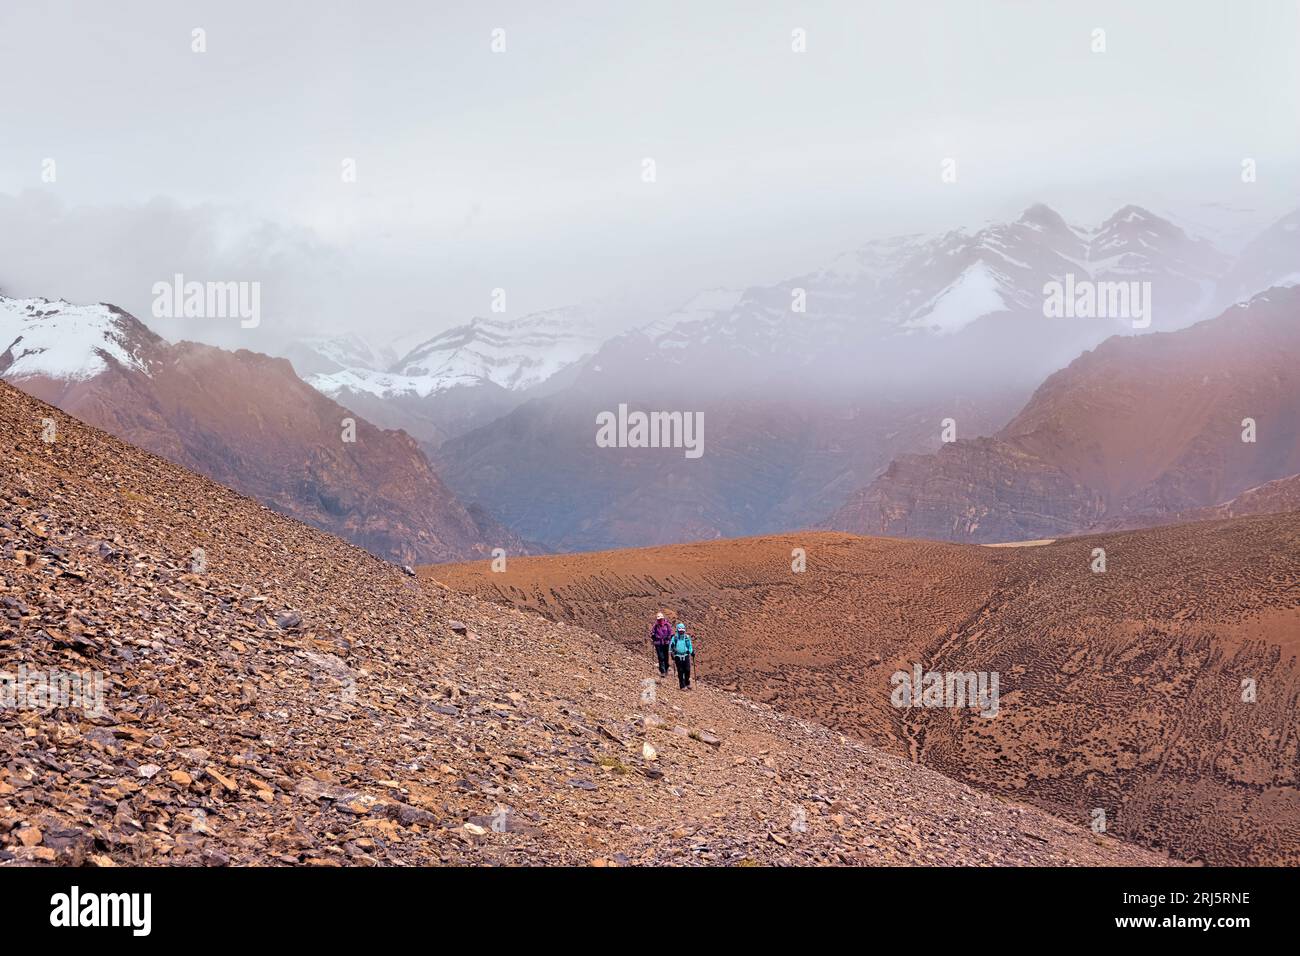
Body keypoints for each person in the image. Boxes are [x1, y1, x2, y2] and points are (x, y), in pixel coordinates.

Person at [670, 622, 695, 690]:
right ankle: (682, 685)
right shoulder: (675, 638)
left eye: (682, 631)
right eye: (680, 631)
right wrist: (671, 653)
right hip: (677, 656)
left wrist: (691, 651)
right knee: (680, 671)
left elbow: (690, 646)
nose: (681, 632)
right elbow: (671, 646)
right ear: (678, 630)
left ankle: (687, 683)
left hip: (686, 655)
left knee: (687, 670)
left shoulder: (687, 638)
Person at [649, 612, 673, 679]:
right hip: (658, 643)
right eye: (659, 619)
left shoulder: (667, 625)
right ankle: (662, 671)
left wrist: (668, 637)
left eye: (661, 619)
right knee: (660, 657)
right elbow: (652, 632)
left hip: (666, 643)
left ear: (663, 618)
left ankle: (666, 668)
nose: (660, 620)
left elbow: (670, 632)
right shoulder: (655, 625)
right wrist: (653, 636)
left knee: (666, 657)